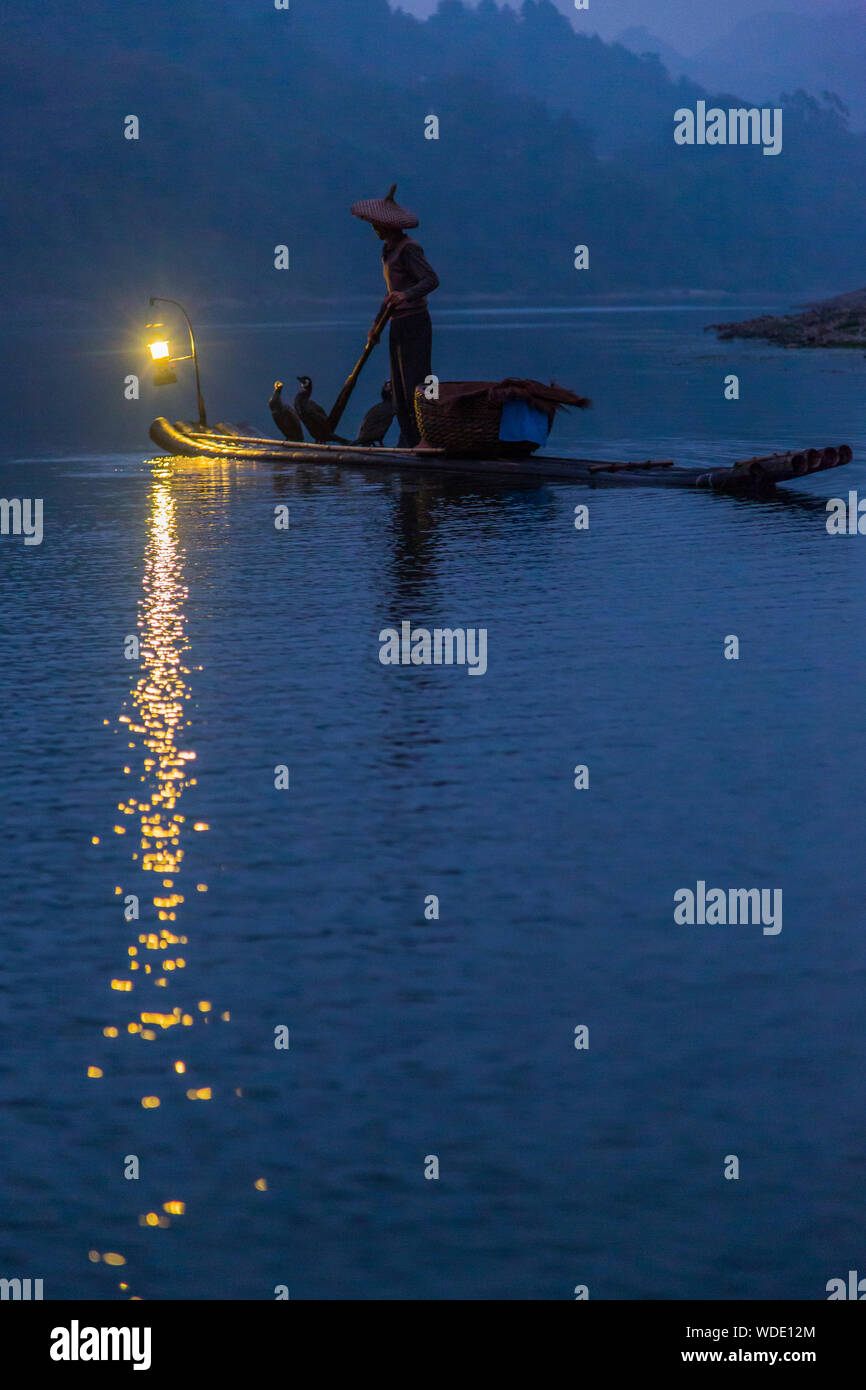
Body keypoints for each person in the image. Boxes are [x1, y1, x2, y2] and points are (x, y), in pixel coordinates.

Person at [350, 184, 439, 449]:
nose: (374, 229)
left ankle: (425, 437)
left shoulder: (409, 249)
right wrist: (376, 327)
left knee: (417, 381)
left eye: (377, 225)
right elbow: (391, 295)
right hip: (397, 323)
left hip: (415, 323)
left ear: (388, 226)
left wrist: (407, 295)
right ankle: (408, 438)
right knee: (398, 387)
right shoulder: (388, 250)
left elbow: (431, 280)